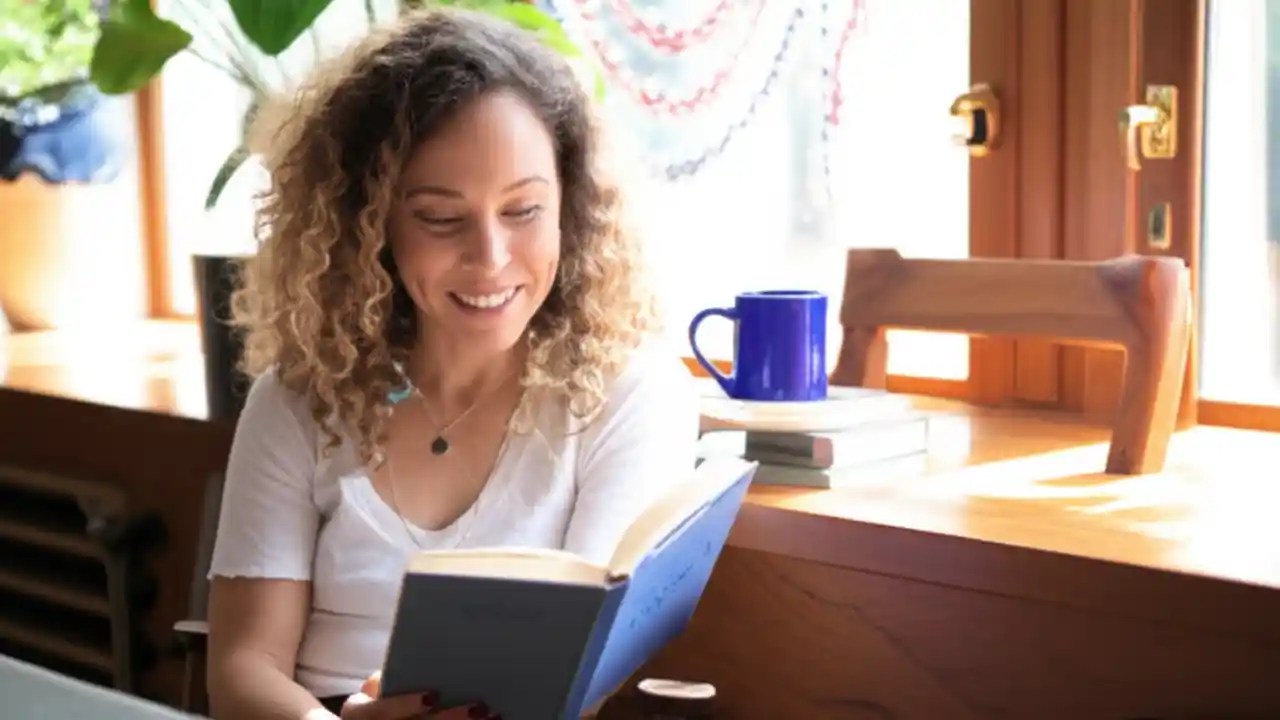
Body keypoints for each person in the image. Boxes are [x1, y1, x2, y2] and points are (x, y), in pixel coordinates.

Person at [205, 8, 701, 719]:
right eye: (441, 218)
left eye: (524, 210)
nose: (491, 258)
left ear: (571, 207)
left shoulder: (626, 393)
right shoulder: (299, 398)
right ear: (372, 226)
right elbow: (243, 669)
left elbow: (582, 672)